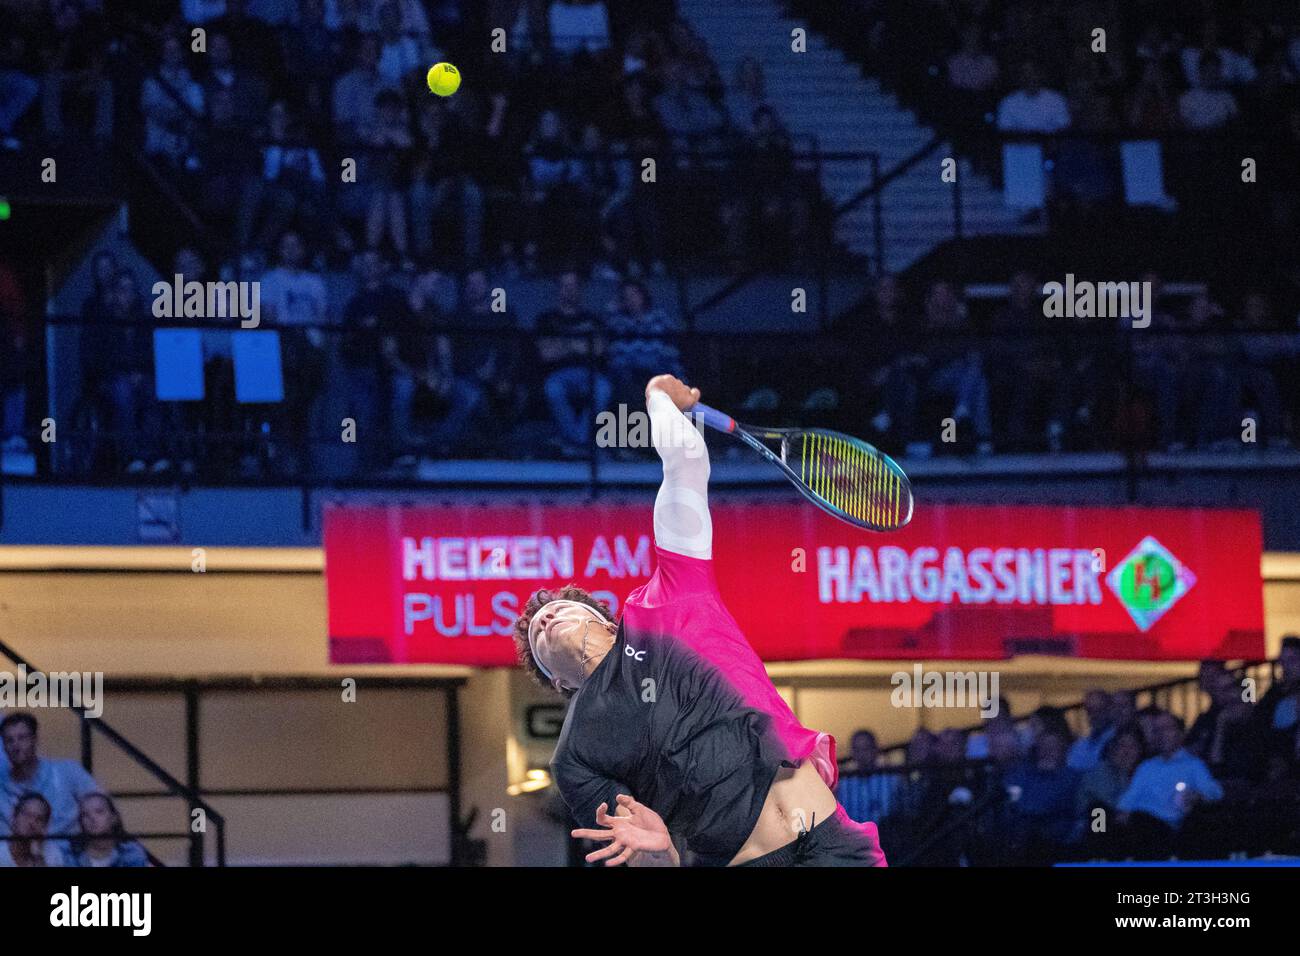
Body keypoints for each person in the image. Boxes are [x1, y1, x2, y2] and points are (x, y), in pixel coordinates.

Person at [513, 374, 887, 866]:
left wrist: (657, 400)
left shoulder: (671, 596)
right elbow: (644, 860)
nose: (546, 619)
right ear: (555, 679)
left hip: (838, 845)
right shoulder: (577, 754)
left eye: (559, 607)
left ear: (605, 620)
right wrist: (662, 849)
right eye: (538, 632)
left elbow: (687, 463)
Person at [0, 713, 101, 844]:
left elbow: (103, 809)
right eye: (9, 740)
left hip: (71, 857)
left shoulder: (68, 771)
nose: (16, 746)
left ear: (35, 739)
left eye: (22, 738)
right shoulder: (2, 786)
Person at [72, 793, 150, 867]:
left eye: (99, 812)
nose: (92, 818)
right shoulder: (68, 853)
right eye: (85, 814)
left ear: (114, 818)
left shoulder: (132, 854)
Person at [0, 793, 65, 867]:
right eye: (27, 815)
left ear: (45, 826)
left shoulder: (53, 854)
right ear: (14, 817)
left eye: (39, 819)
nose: (32, 822)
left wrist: (37, 856)